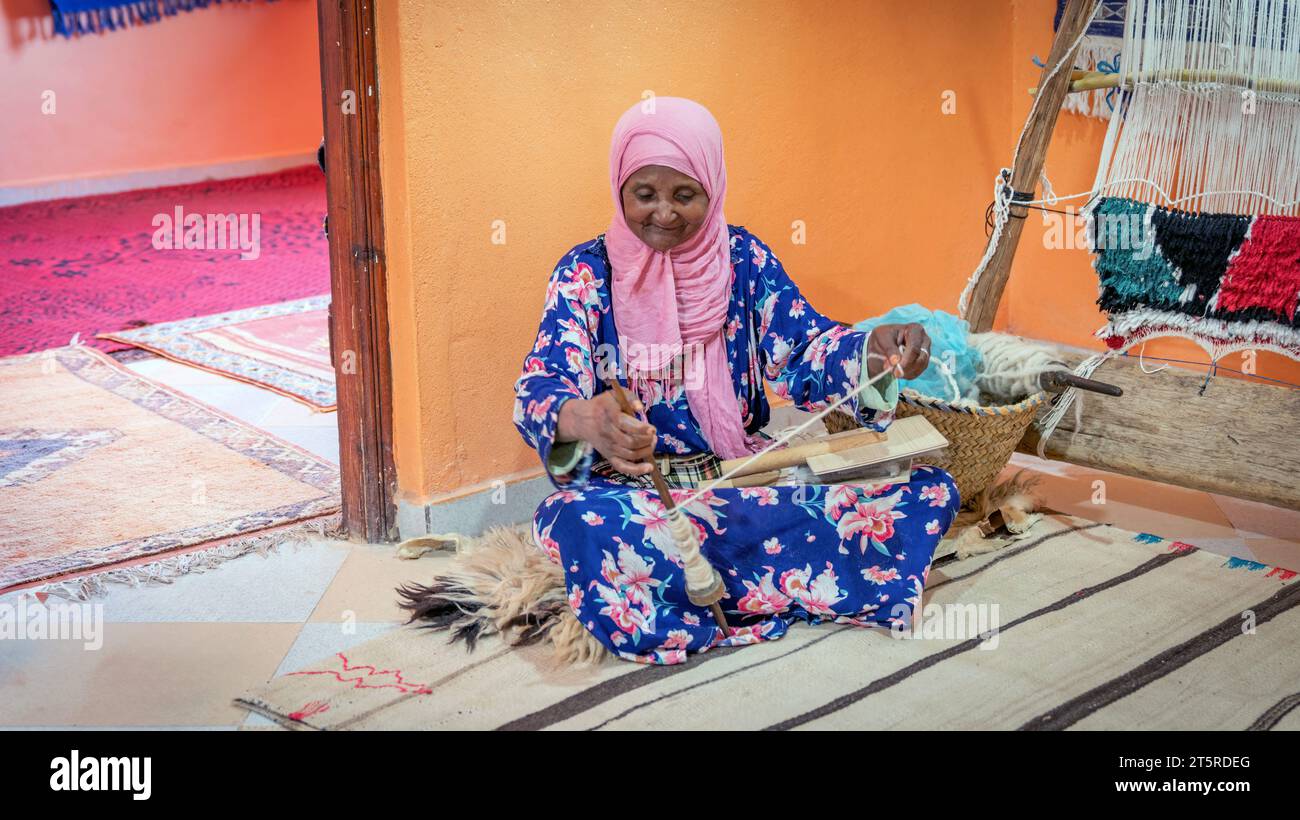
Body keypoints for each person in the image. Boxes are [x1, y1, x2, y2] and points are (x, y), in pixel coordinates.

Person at [513, 97, 959, 665]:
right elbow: (541, 384)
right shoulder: (584, 273)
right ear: (619, 190)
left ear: (713, 189)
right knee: (581, 524)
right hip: (629, 495)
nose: (665, 214)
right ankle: (780, 580)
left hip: (742, 477)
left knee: (928, 491)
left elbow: (805, 352)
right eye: (644, 194)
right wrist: (585, 421)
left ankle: (695, 584)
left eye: (684, 195)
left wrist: (872, 352)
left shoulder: (744, 259)